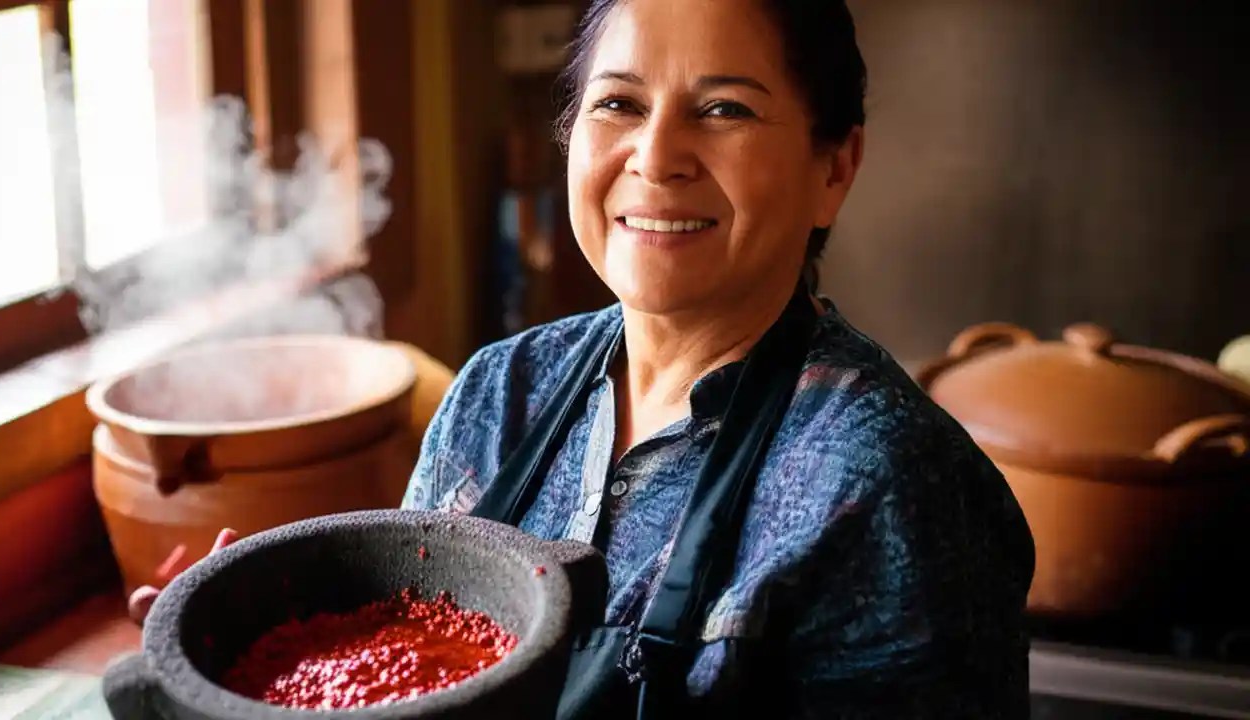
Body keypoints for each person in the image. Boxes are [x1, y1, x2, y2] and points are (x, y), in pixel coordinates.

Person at [130, 0, 1036, 717]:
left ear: (833, 169)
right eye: (619, 104)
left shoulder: (888, 480)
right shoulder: (498, 392)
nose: (658, 156)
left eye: (724, 109)